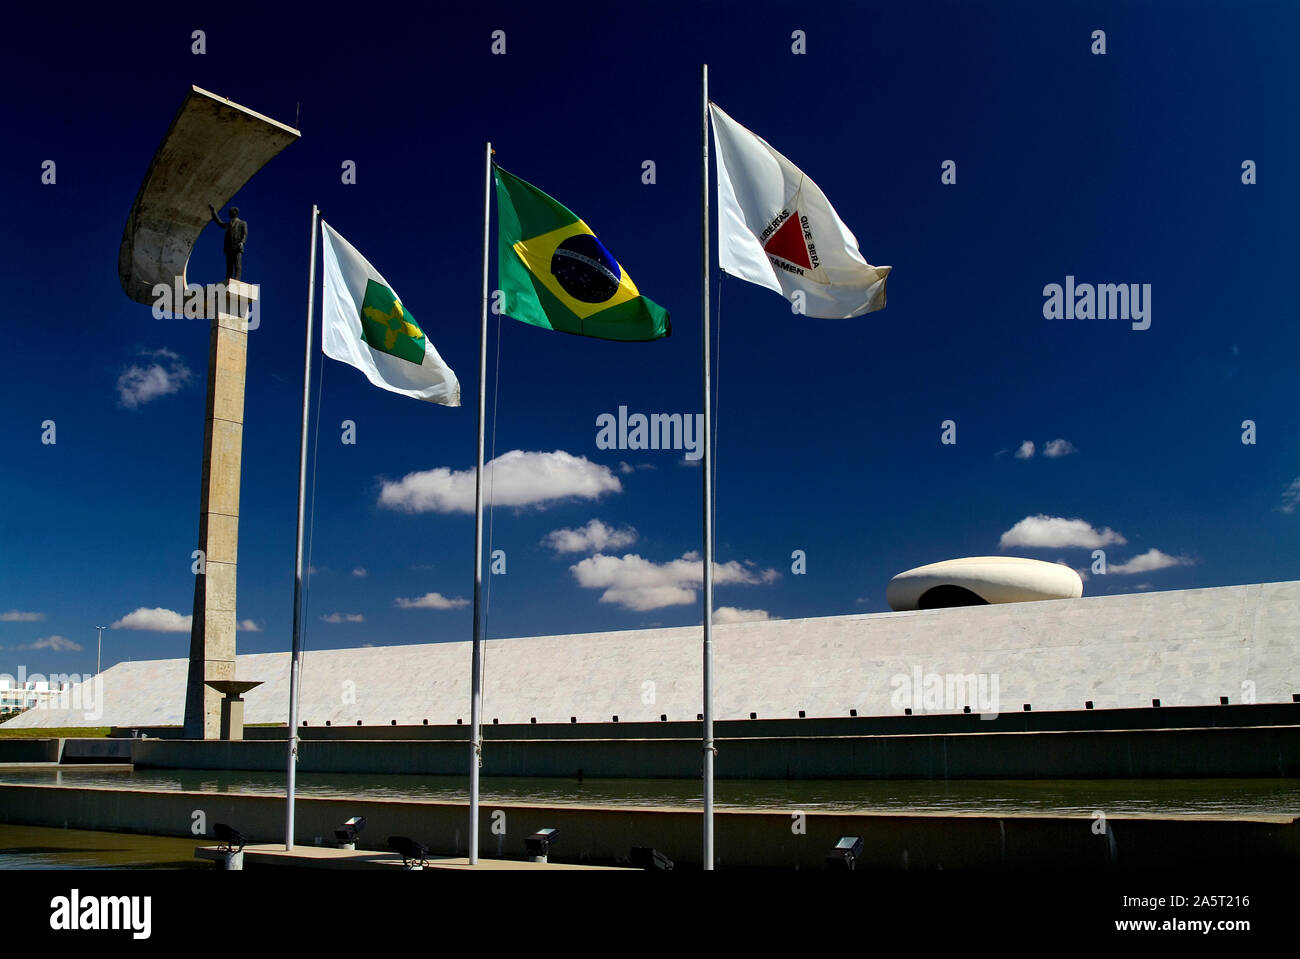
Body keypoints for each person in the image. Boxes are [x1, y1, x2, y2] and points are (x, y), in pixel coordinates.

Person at [208, 204, 248, 280]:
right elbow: (219, 223)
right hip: (229, 247)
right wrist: (214, 212)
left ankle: (237, 279)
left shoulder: (242, 223)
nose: (229, 214)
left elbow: (245, 234)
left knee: (237, 264)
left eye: (230, 212)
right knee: (229, 265)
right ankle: (228, 278)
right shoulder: (228, 224)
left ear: (235, 212)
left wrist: (242, 242)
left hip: (237, 246)